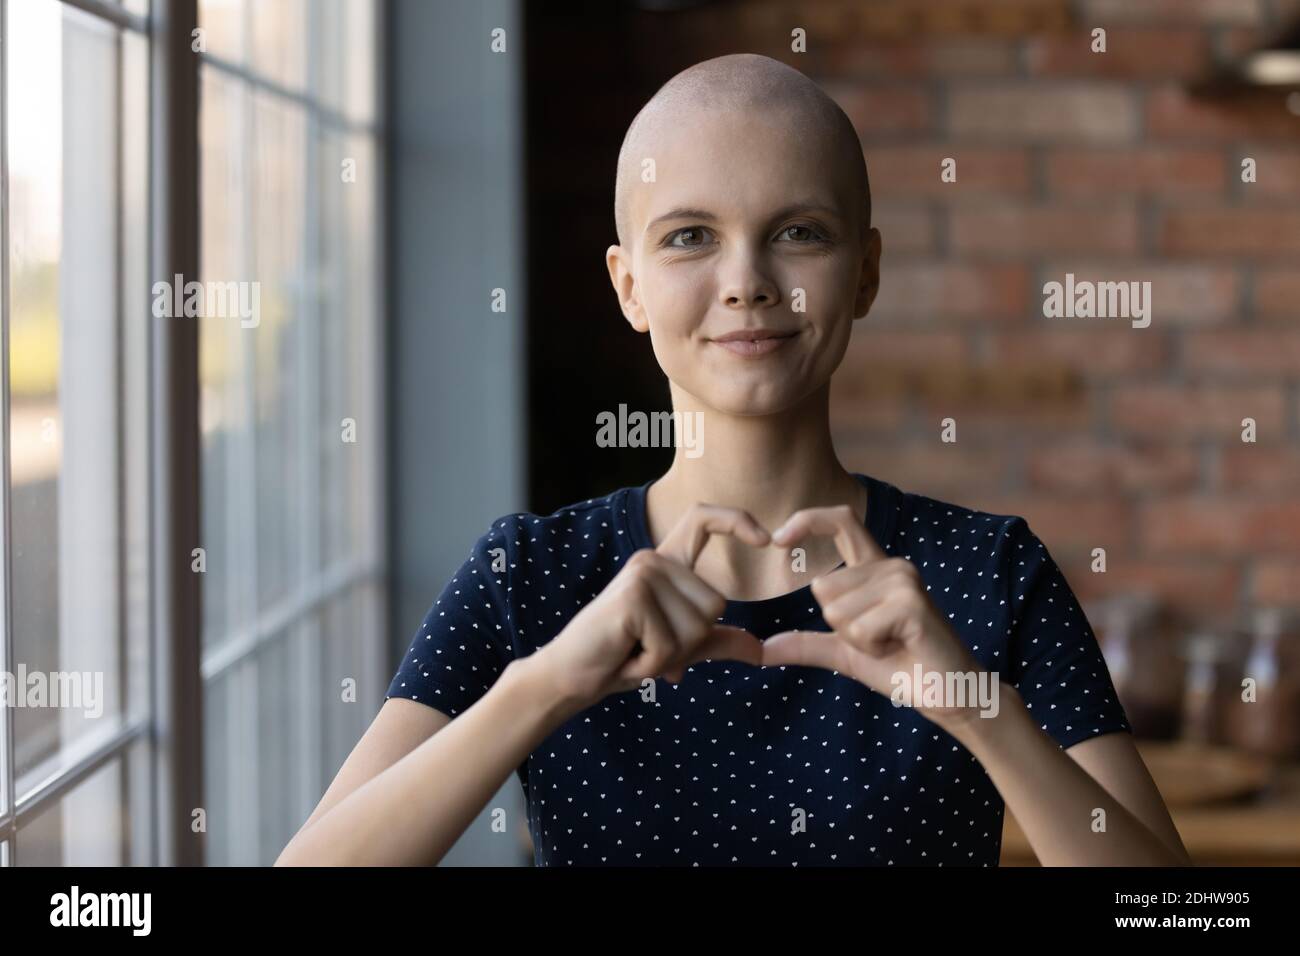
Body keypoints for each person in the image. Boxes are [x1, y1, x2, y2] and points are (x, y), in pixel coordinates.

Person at [276, 53, 1189, 867]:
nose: (747, 279)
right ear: (628, 286)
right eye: (689, 236)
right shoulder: (530, 580)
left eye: (800, 232)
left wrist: (979, 712)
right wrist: (544, 687)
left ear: (865, 274)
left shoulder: (992, 574)